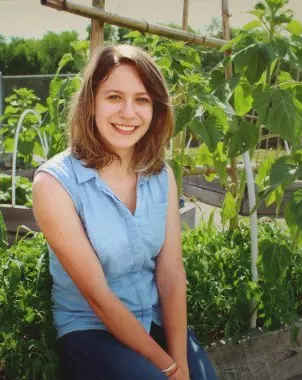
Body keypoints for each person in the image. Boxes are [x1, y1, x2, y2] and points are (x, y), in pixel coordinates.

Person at [32, 44, 218, 380]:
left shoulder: (161, 174)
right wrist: (170, 370)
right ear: (91, 102)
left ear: (156, 109)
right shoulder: (54, 183)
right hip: (92, 331)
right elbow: (98, 297)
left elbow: (171, 272)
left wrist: (182, 362)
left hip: (153, 319)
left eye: (142, 99)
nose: (128, 112)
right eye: (114, 97)